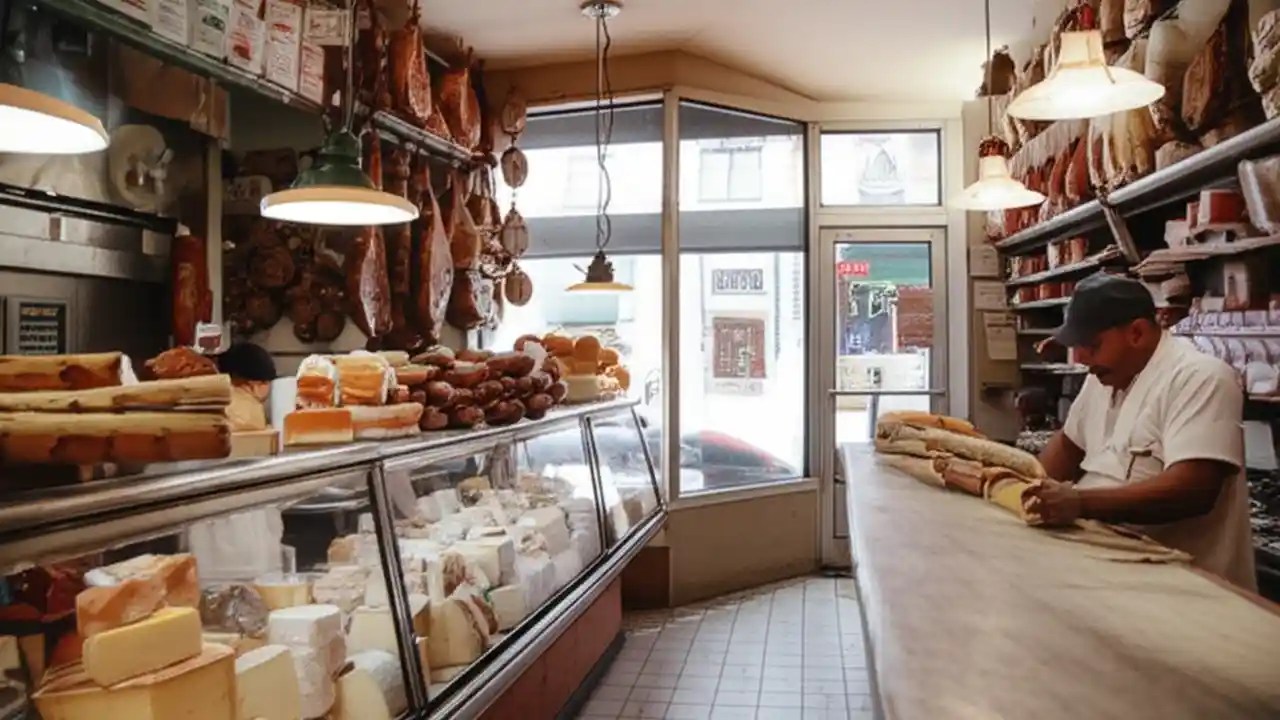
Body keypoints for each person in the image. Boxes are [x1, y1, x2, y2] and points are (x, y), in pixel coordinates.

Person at [1026, 273, 1257, 590]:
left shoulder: (1200, 377)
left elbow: (1193, 490)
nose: (1080, 358)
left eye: (1092, 345)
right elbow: (1068, 445)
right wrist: (1028, 489)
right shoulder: (1102, 377)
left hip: (1186, 587)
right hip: (1111, 572)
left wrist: (1080, 503)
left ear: (1136, 333)